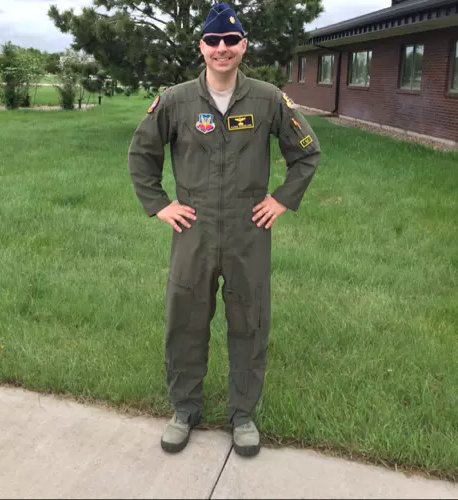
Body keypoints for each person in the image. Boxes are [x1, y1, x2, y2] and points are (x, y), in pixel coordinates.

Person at [128, 2, 321, 458]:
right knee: (186, 320)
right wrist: (159, 205)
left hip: (247, 233)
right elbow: (141, 154)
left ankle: (243, 415)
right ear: (202, 47)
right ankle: (184, 409)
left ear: (243, 46)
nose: (222, 49)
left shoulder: (268, 99)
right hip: (193, 231)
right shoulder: (175, 101)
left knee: (249, 322)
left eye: (230, 41)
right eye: (213, 41)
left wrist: (281, 198)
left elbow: (308, 152)